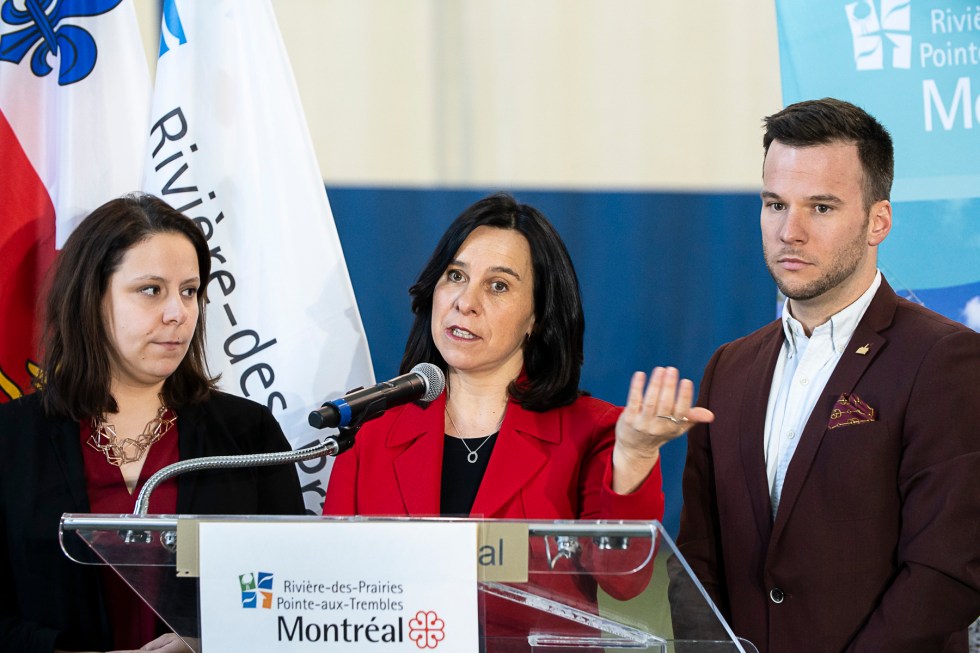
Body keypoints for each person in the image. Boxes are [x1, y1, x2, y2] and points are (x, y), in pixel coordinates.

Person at [324, 192, 711, 644]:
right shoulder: (371, 433)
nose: (465, 302)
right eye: (455, 276)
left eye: (498, 285)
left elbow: (622, 581)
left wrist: (636, 453)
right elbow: (339, 590)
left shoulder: (591, 432)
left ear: (537, 318)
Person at [676, 98, 980, 652]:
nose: (789, 231)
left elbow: (947, 571)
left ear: (877, 221)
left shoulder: (947, 359)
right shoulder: (730, 368)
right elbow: (701, 560)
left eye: (820, 207)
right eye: (775, 204)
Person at [0, 194, 305, 653]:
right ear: (92, 296)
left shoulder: (247, 433)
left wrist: (209, 640)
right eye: (151, 290)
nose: (178, 313)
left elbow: (293, 590)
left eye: (189, 291)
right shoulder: (10, 438)